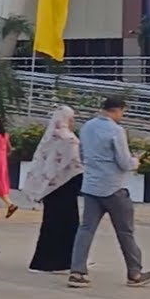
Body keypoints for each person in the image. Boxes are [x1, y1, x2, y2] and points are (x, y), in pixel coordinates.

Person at [68, 96, 150, 289]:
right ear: (117, 110)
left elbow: (81, 155)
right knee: (125, 231)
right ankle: (135, 273)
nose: (122, 116)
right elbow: (123, 162)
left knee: (86, 229)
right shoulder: (116, 130)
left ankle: (77, 272)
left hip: (91, 186)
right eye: (122, 112)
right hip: (114, 187)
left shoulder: (87, 127)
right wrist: (135, 161)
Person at [25, 106, 85, 274]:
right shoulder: (69, 138)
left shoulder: (50, 136)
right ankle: (63, 262)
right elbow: (74, 162)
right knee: (68, 224)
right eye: (72, 118)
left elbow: (43, 161)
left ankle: (42, 262)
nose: (73, 121)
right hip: (64, 187)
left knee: (50, 224)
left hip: (49, 187)